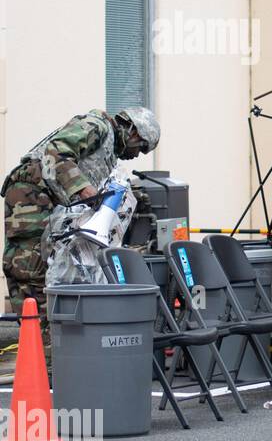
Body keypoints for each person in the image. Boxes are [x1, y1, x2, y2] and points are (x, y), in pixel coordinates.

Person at [3, 106, 160, 316]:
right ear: (132, 131)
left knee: (51, 264)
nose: (136, 155)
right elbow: (56, 150)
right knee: (29, 265)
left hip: (50, 198)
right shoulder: (96, 125)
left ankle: (47, 333)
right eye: (141, 147)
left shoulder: (110, 154)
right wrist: (82, 188)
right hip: (31, 191)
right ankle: (37, 334)